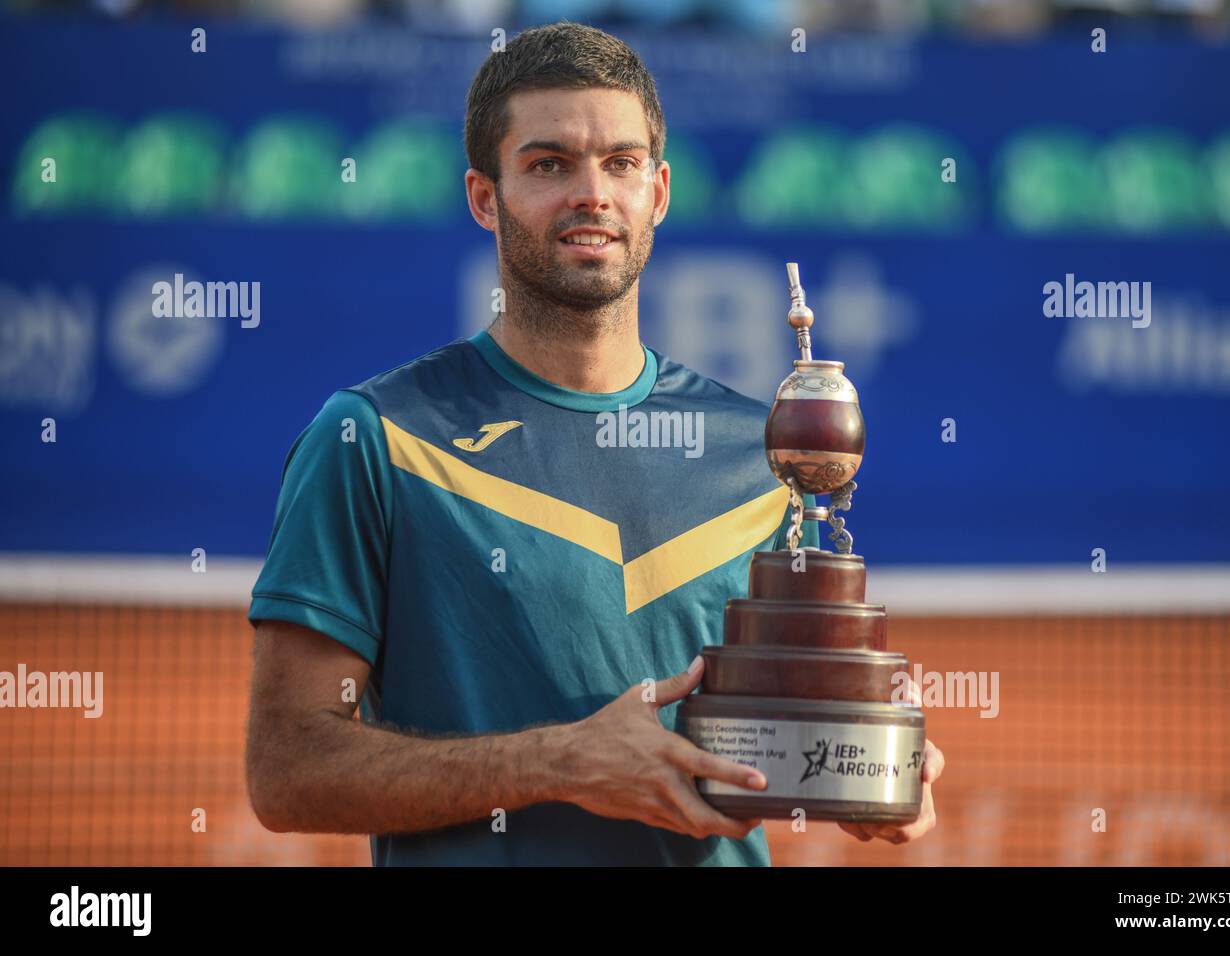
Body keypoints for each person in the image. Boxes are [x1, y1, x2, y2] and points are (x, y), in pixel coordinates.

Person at [244, 20, 943, 866]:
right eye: (548, 165)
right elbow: (287, 770)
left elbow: (775, 733)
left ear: (659, 191)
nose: (592, 193)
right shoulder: (373, 438)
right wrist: (559, 762)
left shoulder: (759, 455)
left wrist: (871, 768)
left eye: (620, 162)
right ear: (482, 196)